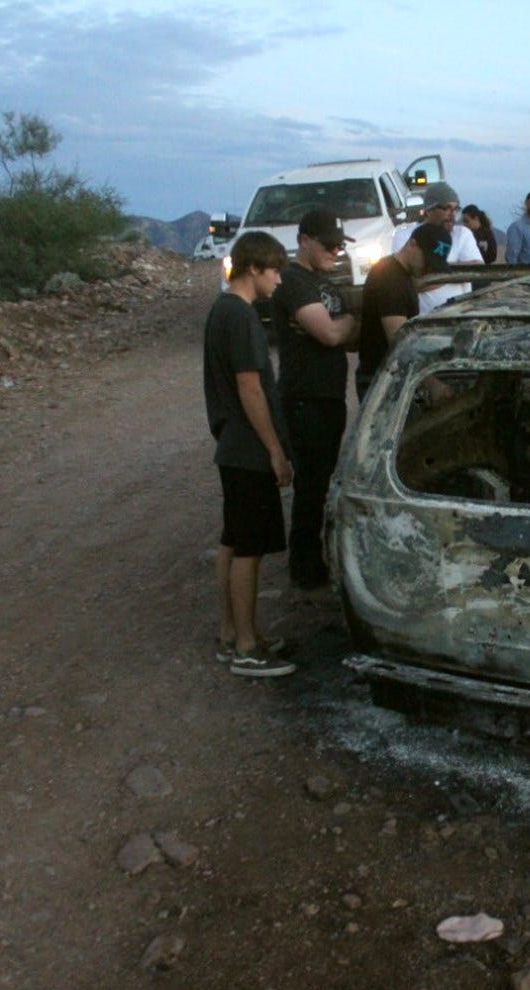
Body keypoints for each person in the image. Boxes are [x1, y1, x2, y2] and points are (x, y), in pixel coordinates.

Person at [204, 232, 296, 677]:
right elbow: (250, 387)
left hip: (232, 447)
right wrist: (275, 451)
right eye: (275, 270)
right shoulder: (240, 317)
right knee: (250, 551)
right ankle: (245, 647)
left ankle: (230, 632)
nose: (279, 279)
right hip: (247, 450)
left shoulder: (222, 310)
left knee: (233, 541)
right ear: (255, 269)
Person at [272, 209, 359, 592]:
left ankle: (312, 558)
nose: (336, 252)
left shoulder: (322, 282)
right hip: (306, 397)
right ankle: (305, 566)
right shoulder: (293, 281)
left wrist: (342, 323)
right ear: (304, 239)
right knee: (310, 486)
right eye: (329, 245)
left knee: (321, 480)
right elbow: (330, 334)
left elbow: (345, 326)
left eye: (340, 245)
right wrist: (340, 324)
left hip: (328, 396)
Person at [356, 222, 451, 399]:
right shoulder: (390, 279)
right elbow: (399, 340)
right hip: (381, 381)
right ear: (412, 244)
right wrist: (431, 383)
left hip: (388, 377)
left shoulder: (399, 274)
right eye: (427, 261)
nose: (428, 269)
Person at [391, 181, 484, 313]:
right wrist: (457, 272)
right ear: (429, 210)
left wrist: (430, 271)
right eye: (446, 208)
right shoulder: (405, 235)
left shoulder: (462, 234)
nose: (452, 214)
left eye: (455, 209)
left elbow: (477, 270)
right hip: (421, 320)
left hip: (460, 315)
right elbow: (407, 283)